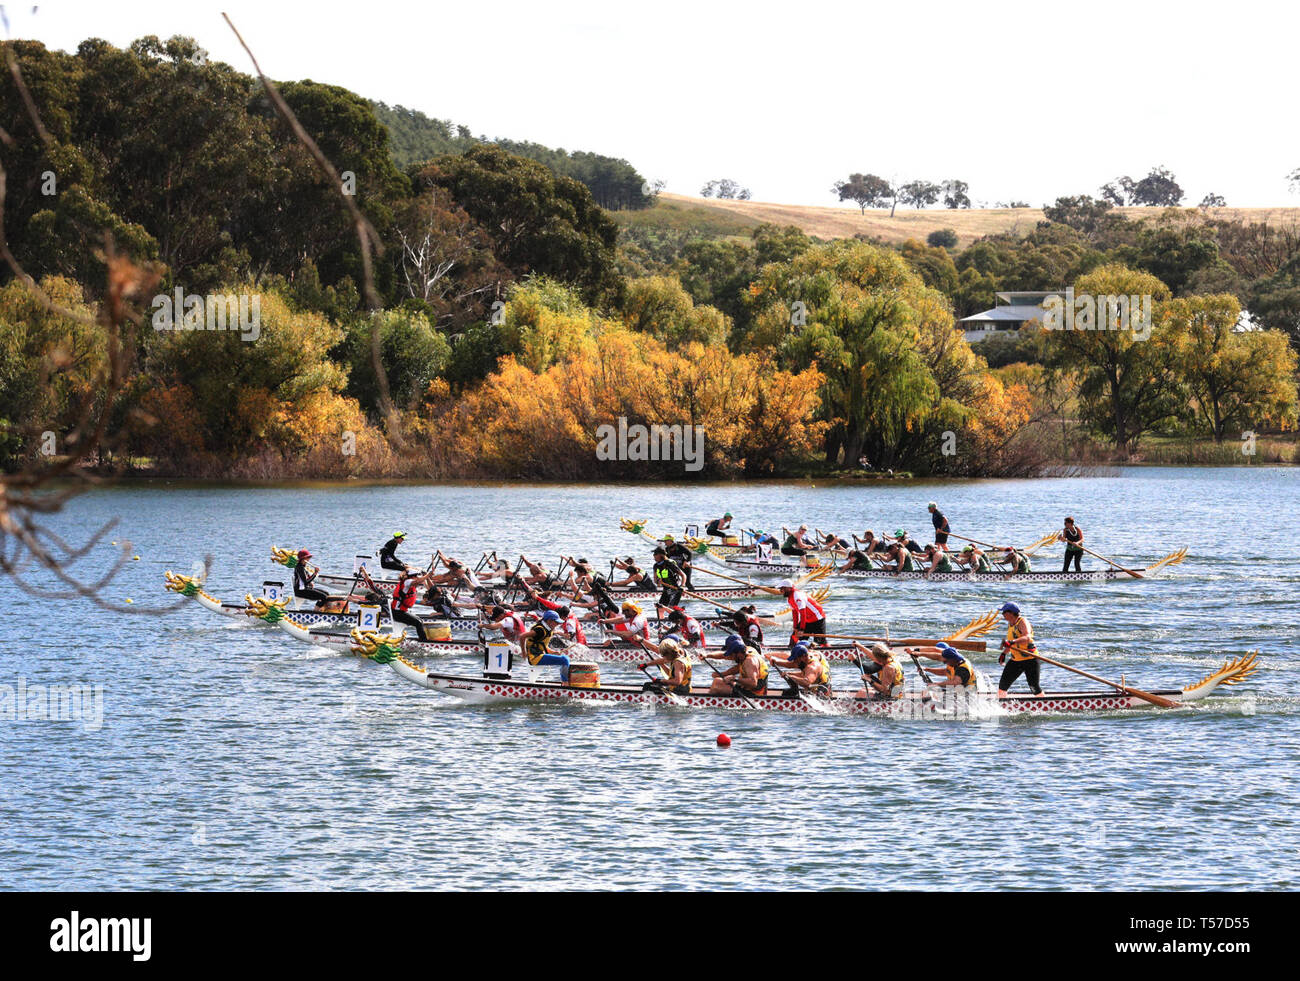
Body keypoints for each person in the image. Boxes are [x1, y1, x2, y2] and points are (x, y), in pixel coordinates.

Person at [759, 578, 827, 647]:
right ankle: (791, 650)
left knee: (820, 642)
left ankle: (825, 648)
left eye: (782, 588)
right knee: (794, 637)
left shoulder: (797, 596)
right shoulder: (790, 598)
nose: (780, 591)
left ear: (788, 588)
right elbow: (795, 614)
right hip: (807, 620)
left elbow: (803, 614)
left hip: (818, 618)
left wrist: (802, 629)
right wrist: (795, 627)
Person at [996, 601, 1042, 696]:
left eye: (1003, 612)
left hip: (1030, 659)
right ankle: (1001, 704)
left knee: (1034, 687)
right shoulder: (1010, 624)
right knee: (1002, 686)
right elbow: (1011, 643)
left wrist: (1012, 642)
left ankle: (1046, 704)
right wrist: (1004, 653)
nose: (1002, 615)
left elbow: (1027, 637)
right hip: (1016, 660)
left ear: (1010, 613)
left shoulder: (1022, 622)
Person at [523, 610, 571, 682]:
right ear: (549, 621)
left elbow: (543, 646)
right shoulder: (539, 630)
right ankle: (565, 683)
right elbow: (522, 637)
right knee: (565, 659)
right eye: (556, 622)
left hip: (539, 655)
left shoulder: (549, 630)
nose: (558, 624)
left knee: (565, 659)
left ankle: (565, 681)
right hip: (534, 658)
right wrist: (524, 652)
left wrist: (554, 652)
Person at [911, 642, 979, 689]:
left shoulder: (962, 668)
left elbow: (955, 682)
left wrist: (936, 684)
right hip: (958, 688)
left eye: (945, 662)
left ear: (952, 659)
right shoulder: (954, 660)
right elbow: (945, 671)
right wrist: (926, 668)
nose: (945, 663)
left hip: (968, 692)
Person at [651, 546, 685, 613]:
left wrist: (682, 586)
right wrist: (657, 581)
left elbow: (683, 575)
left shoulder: (669, 564)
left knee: (670, 608)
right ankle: (661, 622)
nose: (653, 556)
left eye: (655, 554)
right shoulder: (655, 566)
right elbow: (655, 580)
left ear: (661, 555)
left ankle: (680, 618)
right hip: (666, 590)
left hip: (676, 589)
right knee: (659, 608)